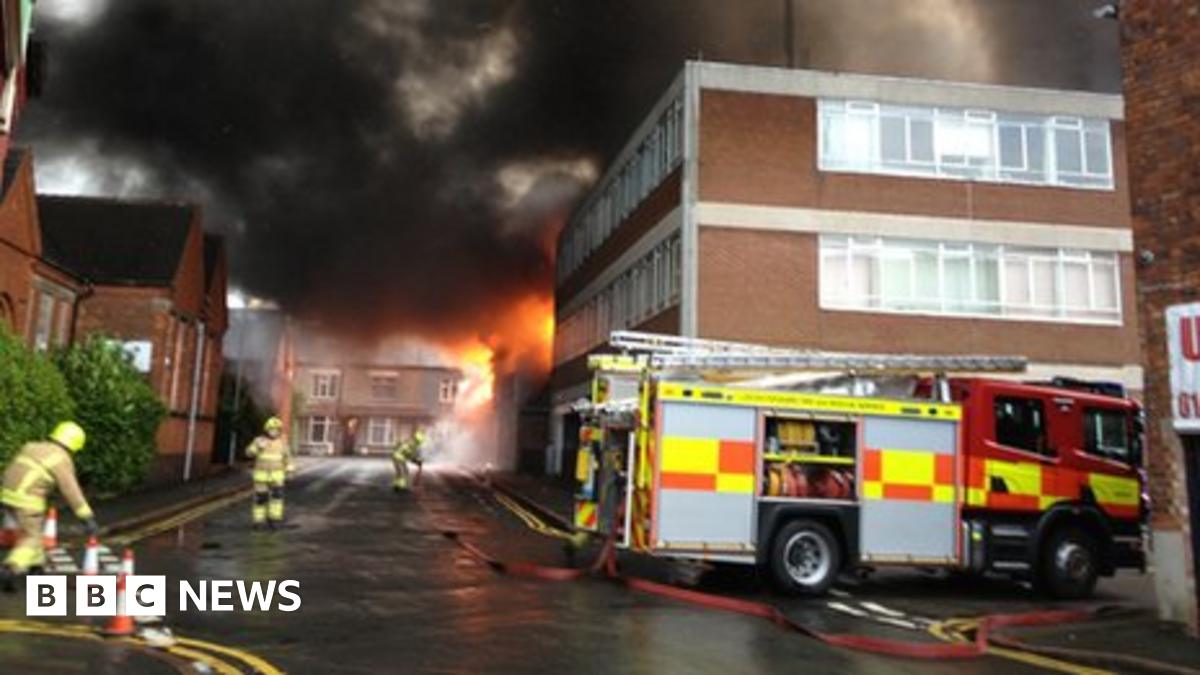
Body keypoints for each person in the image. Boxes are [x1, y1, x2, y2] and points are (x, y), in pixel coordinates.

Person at [1, 422, 98, 591]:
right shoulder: (61, 459)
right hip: (28, 501)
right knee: (31, 538)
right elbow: (70, 490)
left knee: (34, 532)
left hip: (6, 494)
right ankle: (10, 567)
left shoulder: (32, 447)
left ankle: (36, 568)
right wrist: (86, 516)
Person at [246, 416, 292, 529]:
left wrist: (290, 470)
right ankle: (258, 521)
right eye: (271, 429)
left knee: (277, 499)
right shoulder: (258, 440)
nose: (274, 432)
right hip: (261, 477)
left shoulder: (283, 443)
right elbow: (248, 453)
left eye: (276, 429)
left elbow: (288, 458)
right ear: (266, 429)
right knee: (260, 499)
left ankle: (274, 520)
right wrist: (257, 448)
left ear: (279, 431)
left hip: (277, 477)